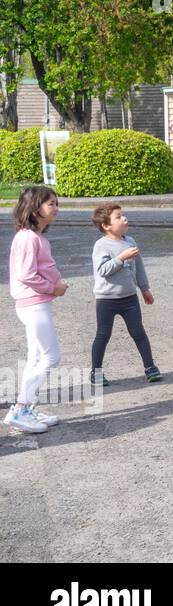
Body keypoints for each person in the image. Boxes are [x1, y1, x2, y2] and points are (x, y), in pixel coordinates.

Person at [6, 186, 68, 434]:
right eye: (50, 203)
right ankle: (20, 409)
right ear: (34, 208)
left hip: (36, 304)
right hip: (33, 304)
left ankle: (27, 407)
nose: (56, 208)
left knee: (36, 357)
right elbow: (25, 274)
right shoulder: (28, 238)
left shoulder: (36, 238)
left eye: (56, 203)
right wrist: (53, 288)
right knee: (51, 357)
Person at [90, 204, 161, 386]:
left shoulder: (130, 241)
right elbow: (102, 270)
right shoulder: (101, 245)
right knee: (103, 334)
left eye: (124, 215)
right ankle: (95, 372)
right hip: (106, 299)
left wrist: (145, 289)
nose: (124, 219)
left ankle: (150, 367)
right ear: (106, 225)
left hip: (129, 298)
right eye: (118, 217)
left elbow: (139, 268)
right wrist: (121, 258)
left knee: (138, 332)